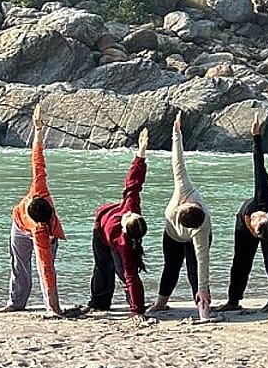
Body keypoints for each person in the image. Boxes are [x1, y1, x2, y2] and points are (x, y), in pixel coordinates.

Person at [218, 113, 268, 321]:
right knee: (241, 261)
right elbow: (259, 167)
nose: (254, 218)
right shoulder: (263, 197)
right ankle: (233, 301)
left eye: (255, 220)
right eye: (255, 219)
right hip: (246, 227)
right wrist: (256, 137)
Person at [0, 104, 64, 317]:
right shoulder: (38, 197)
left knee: (45, 267)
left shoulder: (41, 226)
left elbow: (46, 269)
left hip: (36, 233)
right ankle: (16, 302)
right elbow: (37, 158)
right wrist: (37, 130)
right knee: (19, 264)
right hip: (18, 226)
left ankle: (50, 305)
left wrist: (55, 310)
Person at [149, 111, 213, 321]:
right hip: (172, 235)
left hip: (191, 237)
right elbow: (178, 164)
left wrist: (203, 287)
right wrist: (176, 134)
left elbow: (204, 260)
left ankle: (203, 308)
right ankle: (161, 303)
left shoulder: (202, 228)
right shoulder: (183, 190)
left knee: (194, 269)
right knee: (171, 266)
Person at [88, 127, 150, 325]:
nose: (127, 212)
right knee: (101, 267)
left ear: (124, 228)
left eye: (127, 216)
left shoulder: (123, 243)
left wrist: (138, 312)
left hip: (108, 237)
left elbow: (132, 277)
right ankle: (99, 303)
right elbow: (133, 183)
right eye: (131, 214)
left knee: (123, 272)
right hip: (99, 229)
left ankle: (135, 304)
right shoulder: (131, 208)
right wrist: (141, 153)